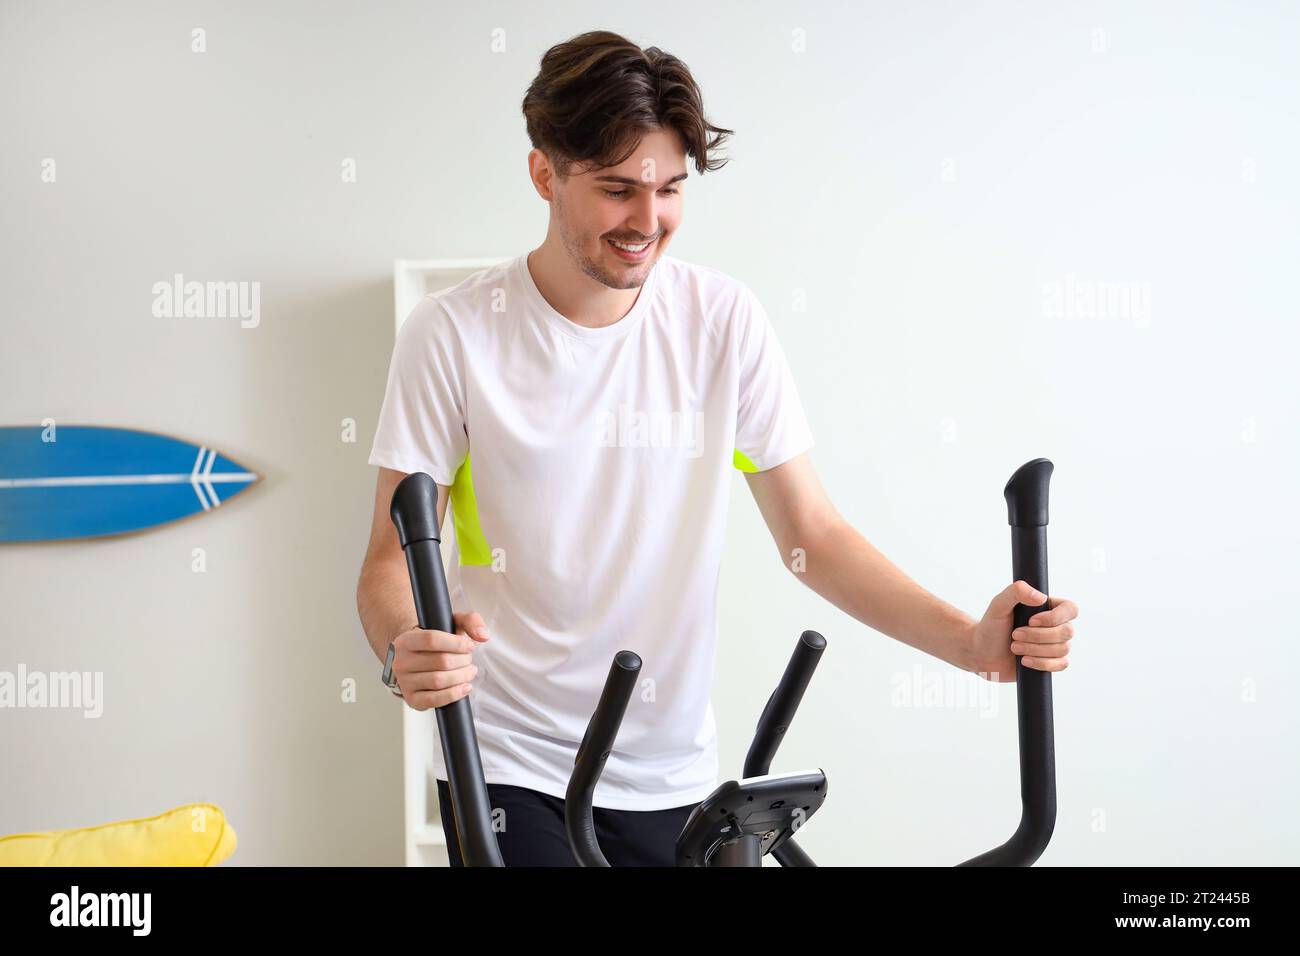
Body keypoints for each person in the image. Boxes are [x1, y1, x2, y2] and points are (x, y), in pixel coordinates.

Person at [356, 30, 1080, 867]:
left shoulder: (722, 322)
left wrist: (968, 641)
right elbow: (386, 557)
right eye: (618, 190)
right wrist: (404, 648)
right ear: (544, 173)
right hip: (514, 760)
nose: (647, 220)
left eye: (668, 189)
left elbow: (814, 536)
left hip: (676, 771)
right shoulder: (452, 335)